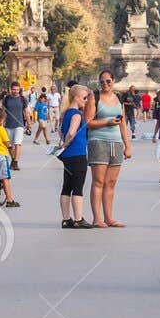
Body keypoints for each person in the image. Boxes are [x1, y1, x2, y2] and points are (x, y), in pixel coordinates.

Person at [83, 69, 131, 227]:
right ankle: (97, 218)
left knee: (111, 182)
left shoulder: (118, 98)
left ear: (113, 81)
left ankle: (109, 217)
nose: (105, 84)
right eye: (102, 82)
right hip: (98, 142)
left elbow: (123, 123)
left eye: (108, 81)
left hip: (116, 143)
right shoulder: (93, 97)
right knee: (98, 181)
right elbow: (88, 122)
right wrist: (107, 122)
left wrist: (127, 146)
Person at [57, 85, 91, 228]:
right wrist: (66, 143)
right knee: (77, 187)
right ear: (76, 98)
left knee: (67, 186)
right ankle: (78, 219)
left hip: (67, 156)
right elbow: (71, 133)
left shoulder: (65, 113)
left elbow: (60, 132)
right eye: (84, 98)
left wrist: (63, 146)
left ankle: (66, 219)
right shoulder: (77, 114)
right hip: (77, 154)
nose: (86, 101)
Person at [1, 81, 28, 171]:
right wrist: (0, 123)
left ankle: (16, 162)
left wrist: (29, 124)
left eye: (17, 90)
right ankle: (13, 159)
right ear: (10, 89)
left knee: (17, 143)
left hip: (19, 125)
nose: (16, 91)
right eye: (14, 89)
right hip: (8, 125)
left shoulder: (22, 99)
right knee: (9, 146)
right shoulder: (6, 99)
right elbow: (3, 112)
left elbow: (26, 112)